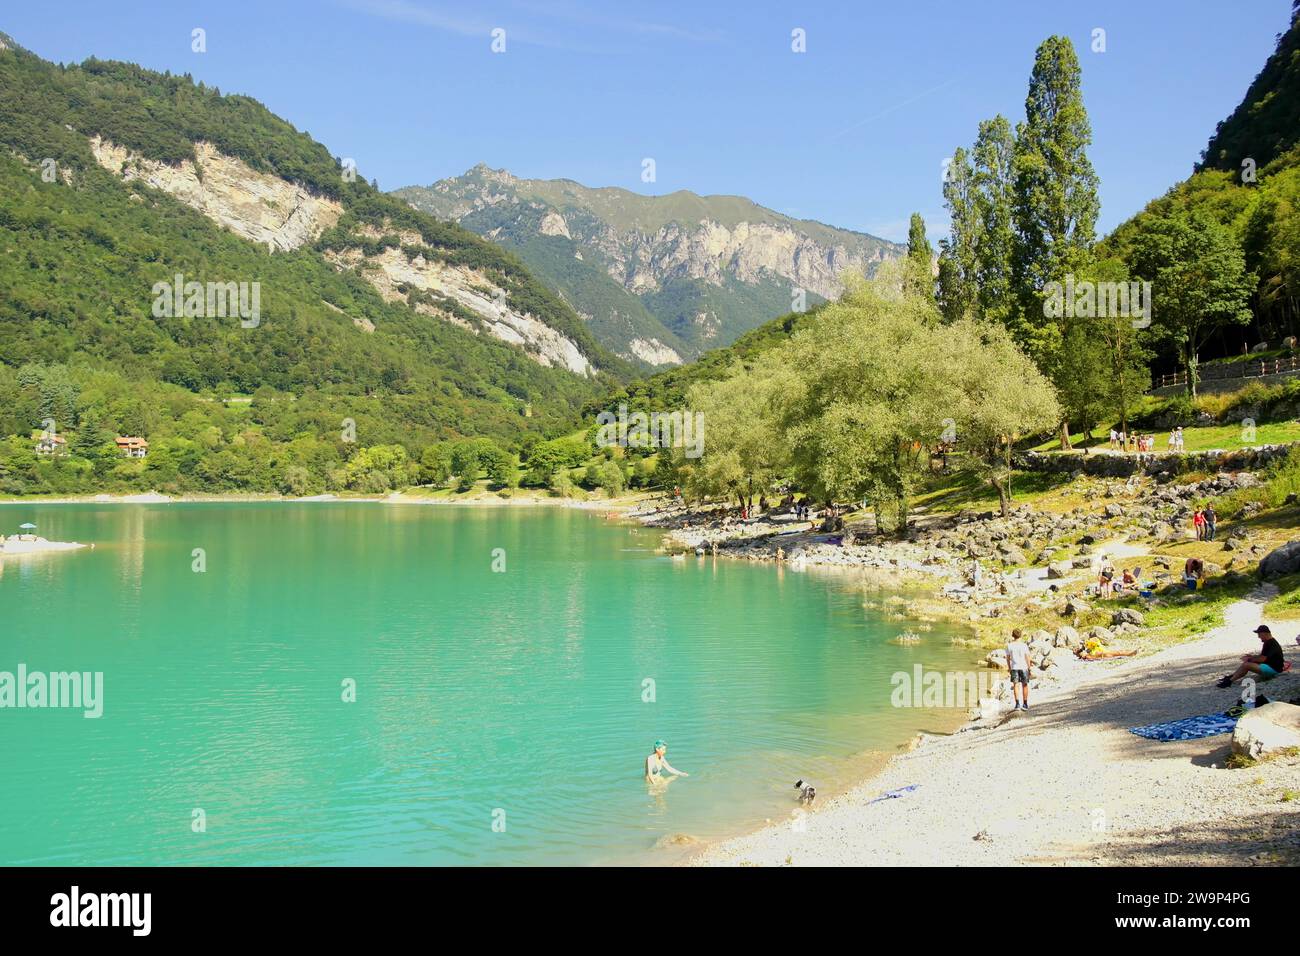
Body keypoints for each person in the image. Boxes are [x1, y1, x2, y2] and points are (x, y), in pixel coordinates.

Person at [1215, 625, 1287, 688]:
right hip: (1270, 666)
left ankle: (1229, 682)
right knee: (1245, 664)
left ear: (1265, 633)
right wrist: (1252, 657)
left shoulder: (1271, 643)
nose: (1258, 636)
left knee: (1247, 665)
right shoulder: (1268, 642)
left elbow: (1262, 659)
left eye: (1259, 634)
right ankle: (1230, 677)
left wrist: (1250, 659)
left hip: (1274, 669)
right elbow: (1264, 657)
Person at [1005, 628, 1032, 711]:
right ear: (1020, 635)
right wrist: (1029, 667)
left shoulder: (1010, 645)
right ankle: (1025, 703)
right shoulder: (1024, 645)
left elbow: (1008, 658)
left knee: (1016, 685)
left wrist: (1009, 667)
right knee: (1025, 685)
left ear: (1013, 636)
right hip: (1024, 667)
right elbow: (1027, 657)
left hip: (1014, 667)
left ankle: (1017, 704)